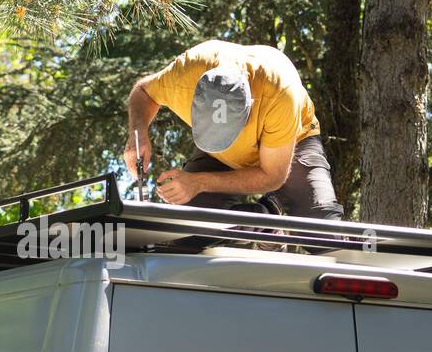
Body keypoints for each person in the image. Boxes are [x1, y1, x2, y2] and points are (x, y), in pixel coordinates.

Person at [124, 39, 343, 221]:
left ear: (250, 106)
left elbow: (272, 175)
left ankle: (270, 215)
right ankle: (264, 221)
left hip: (293, 144)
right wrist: (138, 134)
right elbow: (143, 91)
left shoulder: (280, 93)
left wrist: (199, 182)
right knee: (184, 228)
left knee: (324, 235)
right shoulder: (185, 73)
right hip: (220, 158)